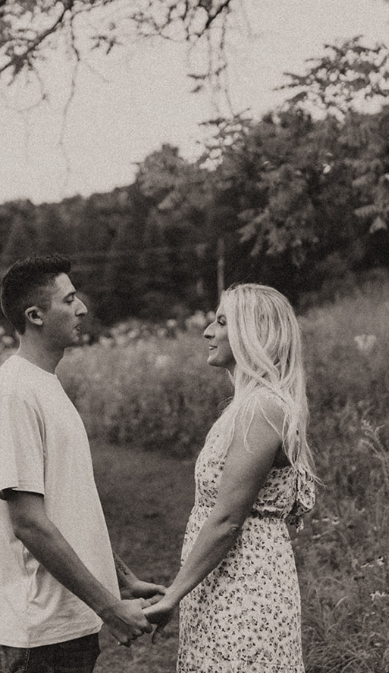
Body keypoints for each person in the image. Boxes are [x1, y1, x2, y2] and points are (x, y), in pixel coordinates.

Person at [0, 254, 164, 673]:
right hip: (41, 629)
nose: (82, 309)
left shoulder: (45, 385)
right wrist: (111, 609)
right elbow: (28, 522)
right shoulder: (15, 394)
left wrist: (120, 578)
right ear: (35, 315)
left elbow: (69, 507)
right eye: (69, 300)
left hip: (67, 622)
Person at [143, 283, 317, 672]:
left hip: (246, 589)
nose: (208, 331)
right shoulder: (247, 406)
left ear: (253, 334)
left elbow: (227, 519)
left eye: (222, 322)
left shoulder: (263, 408)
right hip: (223, 581)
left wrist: (173, 595)